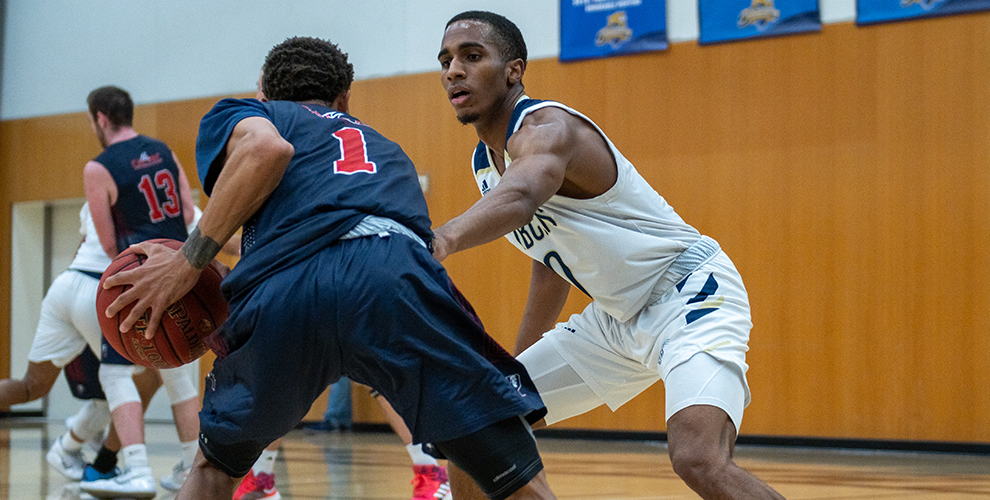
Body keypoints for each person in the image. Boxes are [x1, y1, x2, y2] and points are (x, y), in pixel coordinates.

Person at [101, 37, 556, 500]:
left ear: (264, 94)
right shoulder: (388, 150)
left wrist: (187, 262)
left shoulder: (252, 115)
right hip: (392, 276)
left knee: (213, 469)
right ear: (345, 100)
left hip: (289, 289)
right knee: (510, 474)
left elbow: (266, 150)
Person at [433, 11, 785, 500]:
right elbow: (550, 258)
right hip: (615, 318)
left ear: (514, 70)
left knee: (698, 458)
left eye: (472, 56)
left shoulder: (548, 128)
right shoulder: (485, 163)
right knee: (481, 417)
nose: (454, 70)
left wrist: (442, 239)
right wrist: (514, 370)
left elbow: (520, 199)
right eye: (446, 60)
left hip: (688, 293)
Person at [77, 85, 203, 500]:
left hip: (138, 276)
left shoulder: (99, 167)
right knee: (177, 373)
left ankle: (135, 470)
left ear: (99, 118)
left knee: (114, 373)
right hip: (179, 267)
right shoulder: (162, 149)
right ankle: (191, 465)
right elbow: (187, 212)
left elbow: (109, 242)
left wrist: (132, 270)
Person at [0, 201, 168, 482]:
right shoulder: (145, 191)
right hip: (99, 288)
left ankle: (74, 449)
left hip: (67, 284)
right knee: (143, 379)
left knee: (32, 386)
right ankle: (126, 466)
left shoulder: (98, 193)